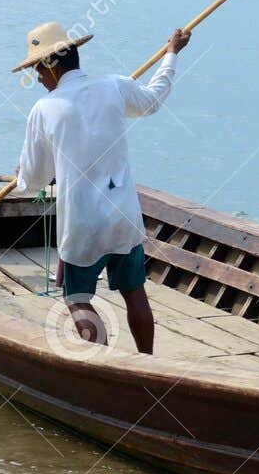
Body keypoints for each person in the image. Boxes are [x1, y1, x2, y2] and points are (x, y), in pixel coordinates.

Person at [14, 21, 190, 354]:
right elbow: (152, 101)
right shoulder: (114, 86)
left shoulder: (44, 109)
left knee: (76, 299)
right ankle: (147, 364)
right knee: (134, 292)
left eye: (38, 67)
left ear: (51, 65)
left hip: (82, 224)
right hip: (124, 215)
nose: (36, 76)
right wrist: (171, 54)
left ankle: (104, 363)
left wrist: (22, 175)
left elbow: (34, 180)